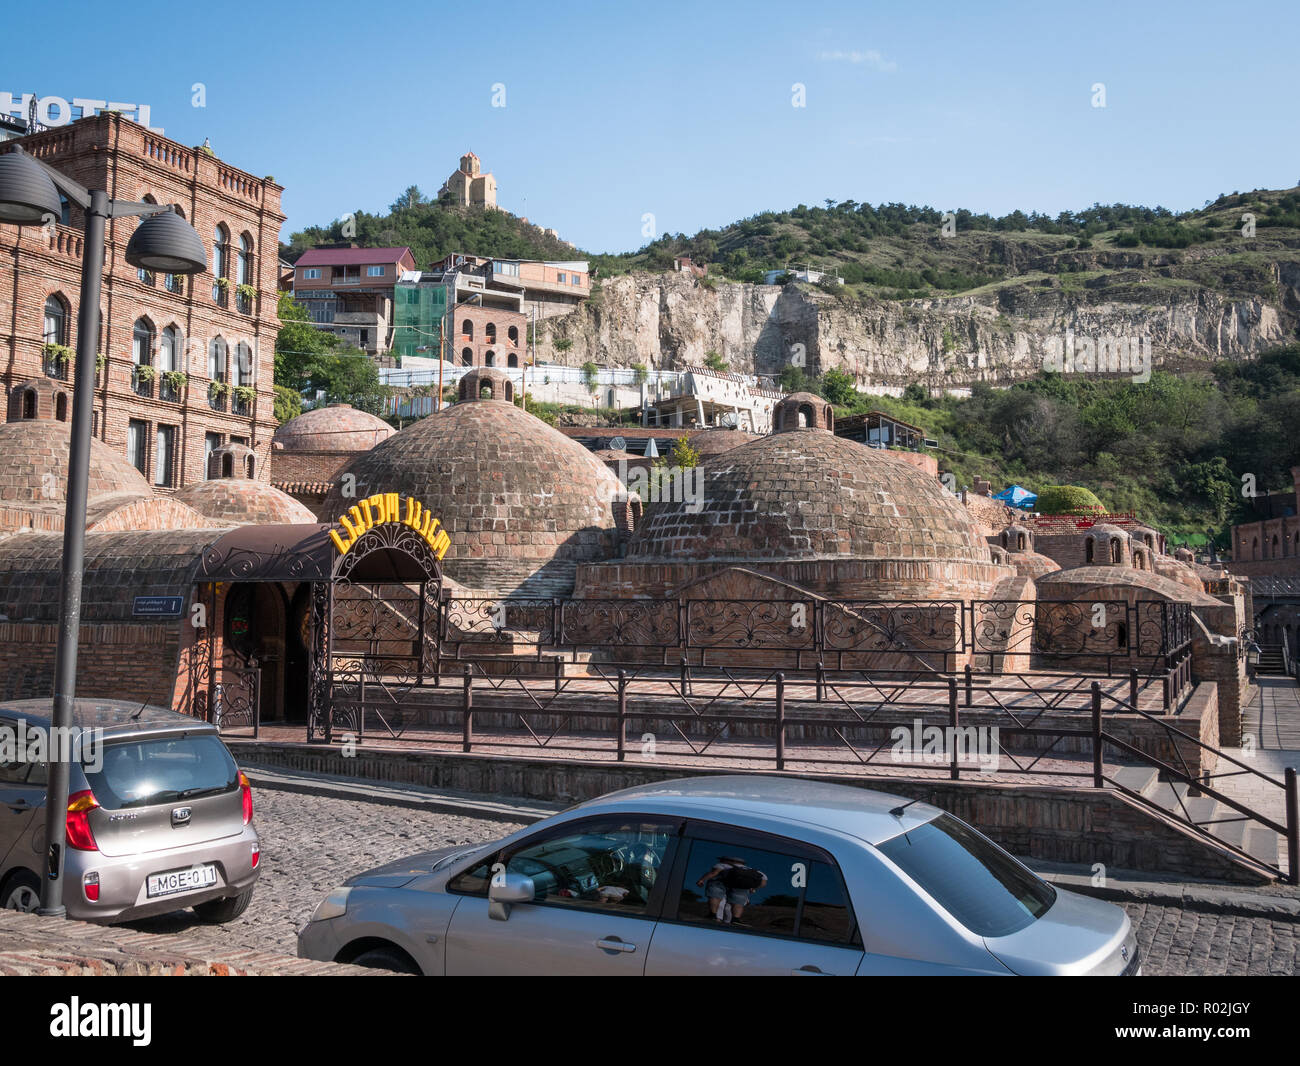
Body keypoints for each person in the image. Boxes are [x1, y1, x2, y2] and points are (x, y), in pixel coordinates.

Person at [696, 855, 766, 924]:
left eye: (722, 859)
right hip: (740, 886)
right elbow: (763, 882)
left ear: (730, 861)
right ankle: (735, 919)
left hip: (721, 883)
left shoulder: (722, 865)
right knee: (738, 903)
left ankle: (713, 915)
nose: (720, 861)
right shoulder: (750, 870)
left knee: (715, 896)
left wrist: (702, 880)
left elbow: (713, 873)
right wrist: (753, 888)